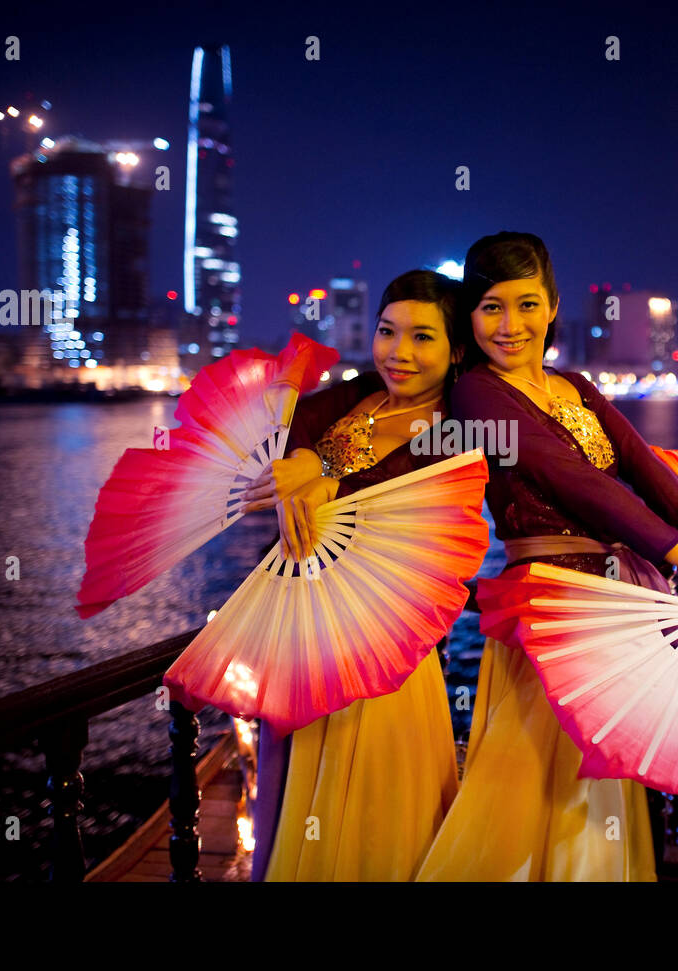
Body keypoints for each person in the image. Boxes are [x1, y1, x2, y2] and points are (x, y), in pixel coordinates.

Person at [414, 232, 678, 881]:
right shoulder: (477, 396)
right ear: (470, 316)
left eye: (526, 304)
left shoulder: (574, 386)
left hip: (611, 604)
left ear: (552, 307)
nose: (510, 326)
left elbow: (641, 466)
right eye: (490, 308)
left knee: (598, 790)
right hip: (547, 609)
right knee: (532, 786)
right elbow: (576, 480)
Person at [238, 269, 469, 880]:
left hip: (381, 642)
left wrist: (319, 474)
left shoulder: (453, 430)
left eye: (423, 337)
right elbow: (286, 428)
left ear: (456, 350)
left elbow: (391, 505)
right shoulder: (359, 398)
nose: (400, 352)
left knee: (373, 814)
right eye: (388, 332)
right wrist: (301, 461)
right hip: (304, 633)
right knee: (295, 802)